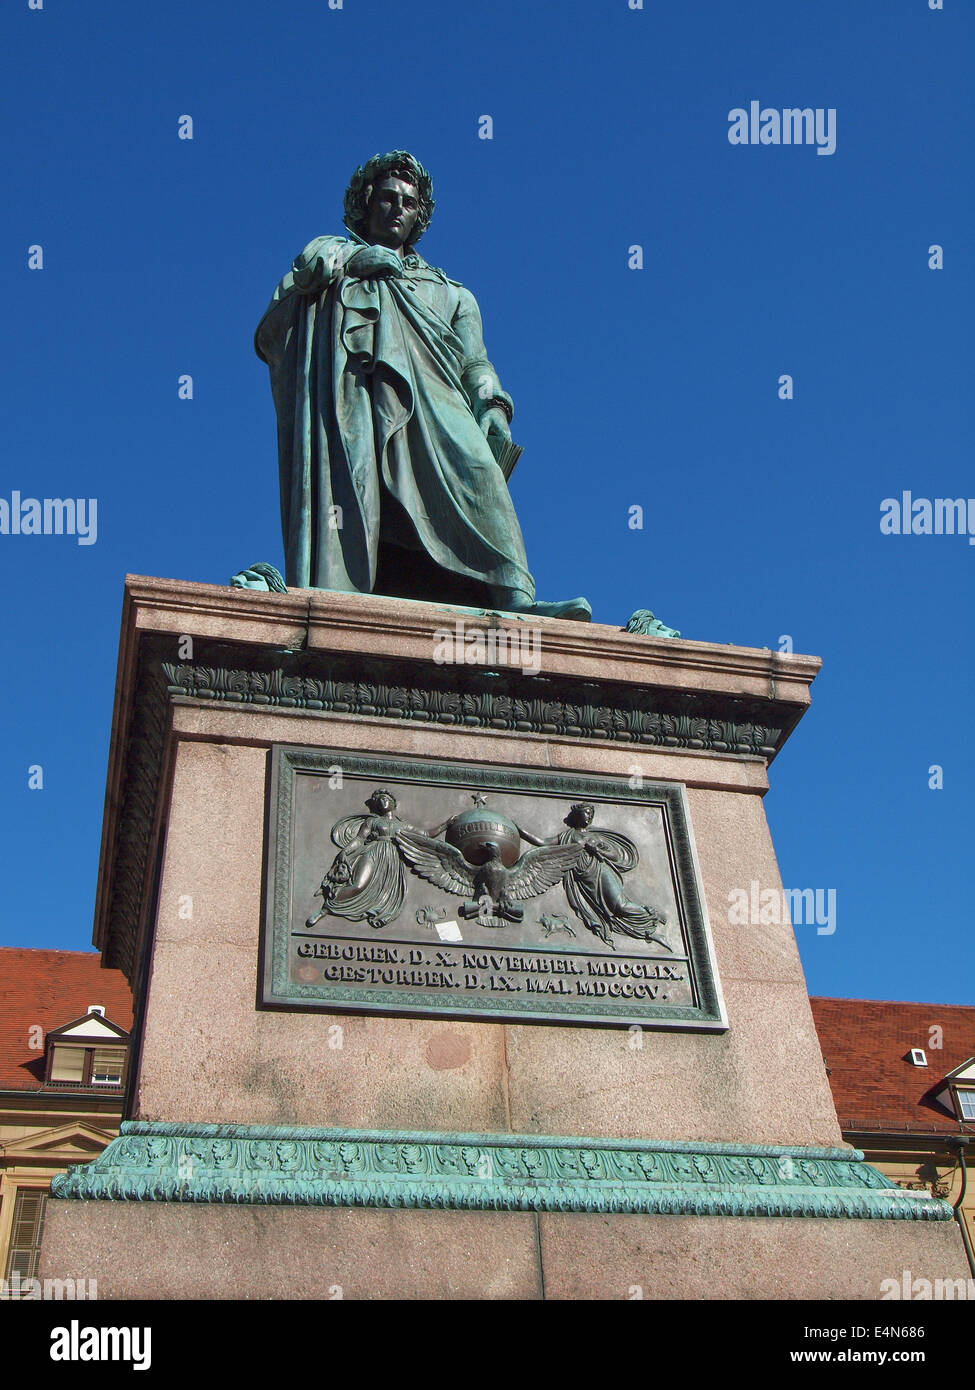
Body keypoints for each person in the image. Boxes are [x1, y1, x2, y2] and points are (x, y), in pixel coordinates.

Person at [255, 151, 590, 620]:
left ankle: (516, 598)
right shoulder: (333, 253)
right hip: (356, 400)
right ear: (367, 204)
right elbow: (284, 311)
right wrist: (349, 261)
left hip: (438, 401)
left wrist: (493, 407)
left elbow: (476, 362)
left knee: (480, 472)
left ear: (419, 216)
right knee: (354, 486)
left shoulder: (453, 294)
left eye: (407, 202)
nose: (396, 208)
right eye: (387, 198)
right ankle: (341, 602)